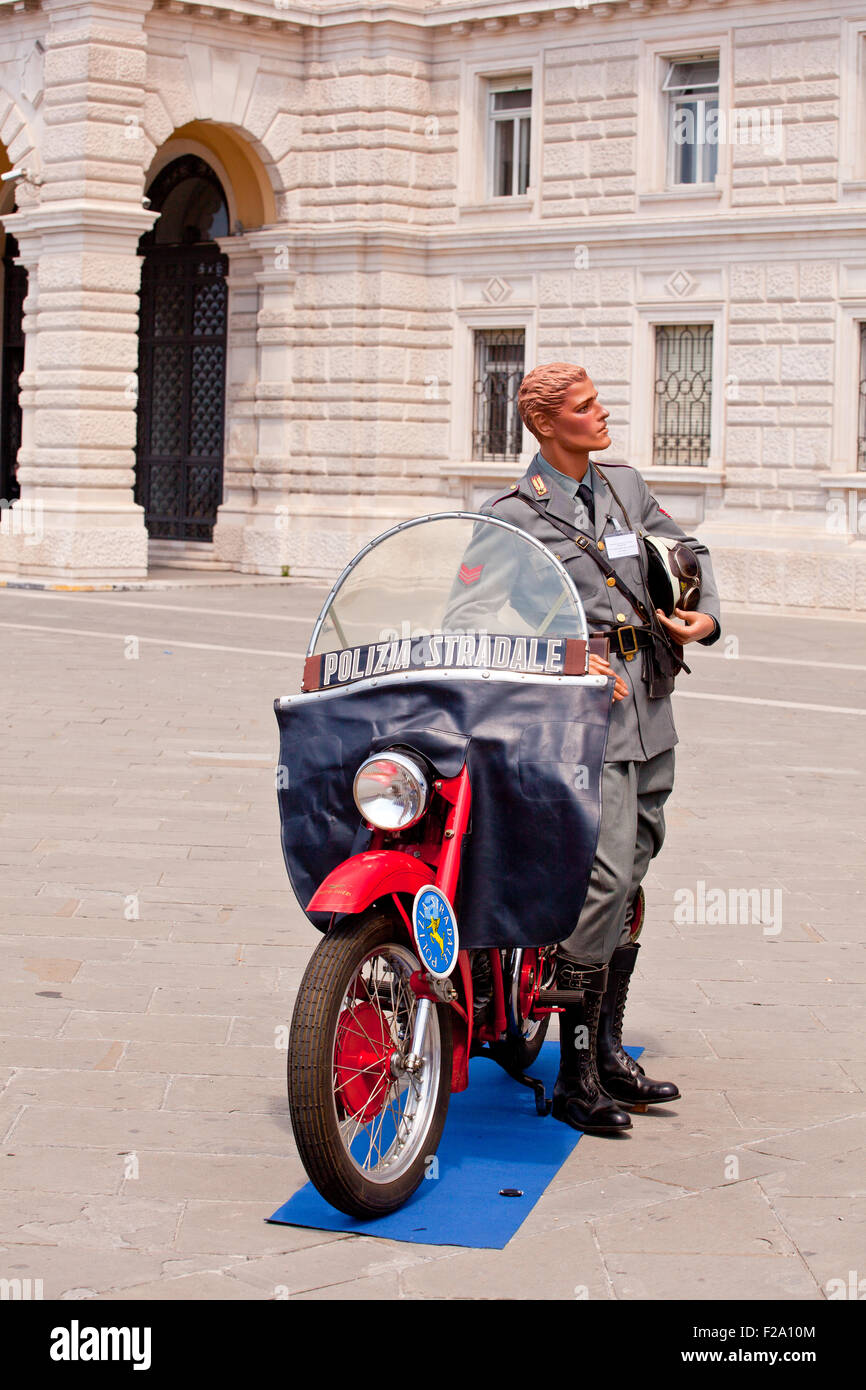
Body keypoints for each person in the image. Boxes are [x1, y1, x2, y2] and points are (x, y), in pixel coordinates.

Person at [476, 362, 722, 1136]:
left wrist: (702, 616)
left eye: (596, 401)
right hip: (581, 717)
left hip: (649, 698)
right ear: (548, 426)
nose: (601, 413)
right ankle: (576, 1077)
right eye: (585, 407)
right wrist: (567, 655)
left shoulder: (623, 485)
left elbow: (686, 550)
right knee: (605, 873)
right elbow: (476, 615)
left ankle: (608, 1046)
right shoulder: (512, 513)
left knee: (636, 865)